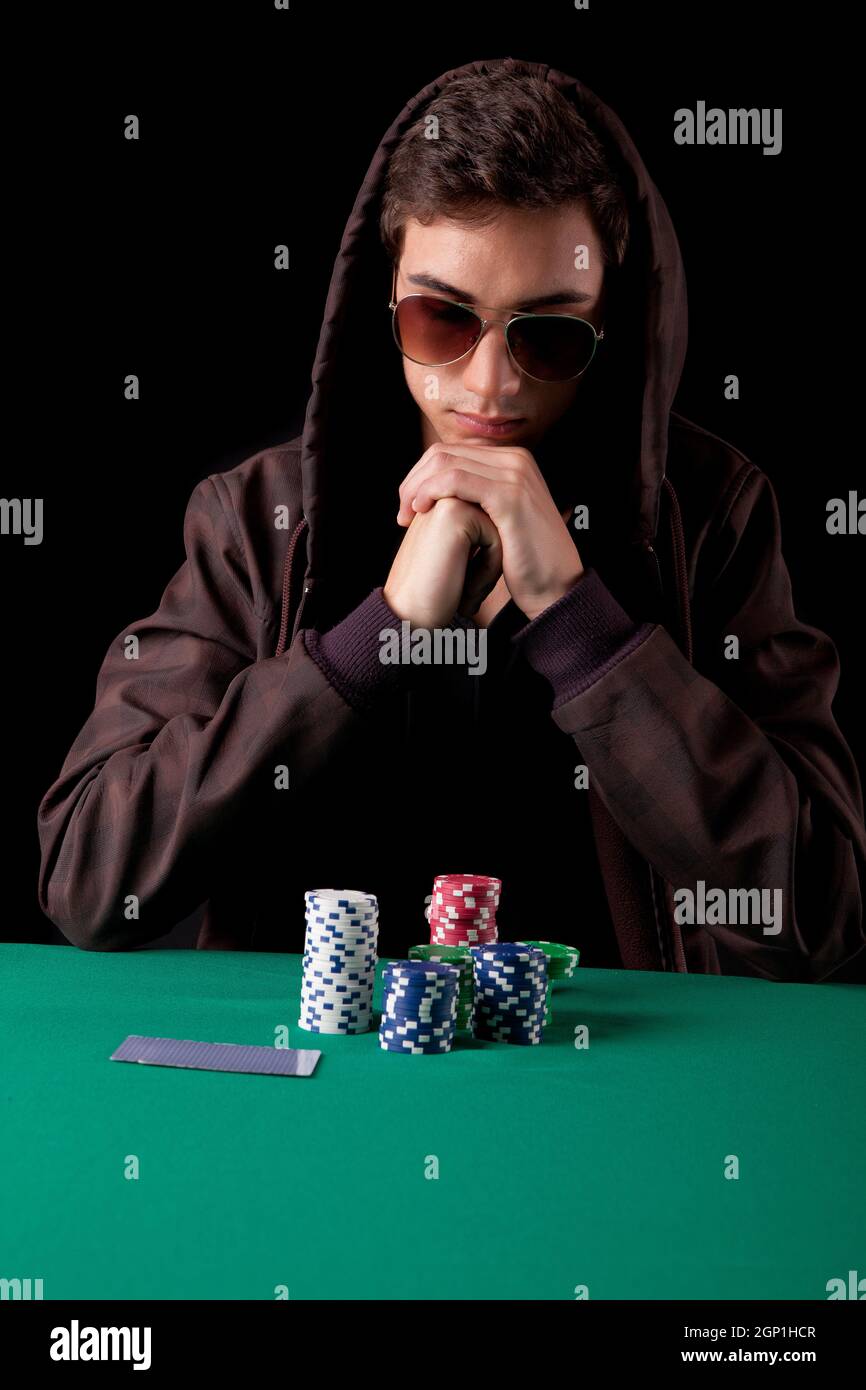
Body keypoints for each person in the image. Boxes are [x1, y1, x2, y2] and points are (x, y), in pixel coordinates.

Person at [37, 57, 865, 980]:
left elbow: (825, 909)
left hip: (626, 1090)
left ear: (611, 321)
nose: (490, 385)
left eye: (549, 334)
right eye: (443, 320)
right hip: (316, 1083)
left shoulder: (712, 514)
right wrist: (370, 643)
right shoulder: (259, 519)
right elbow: (91, 878)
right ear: (382, 301)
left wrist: (584, 630)